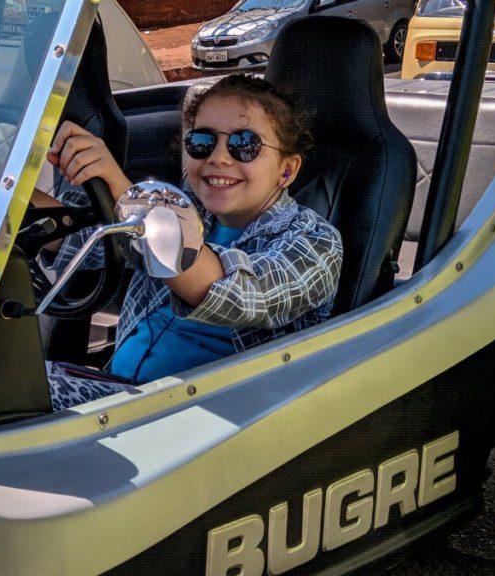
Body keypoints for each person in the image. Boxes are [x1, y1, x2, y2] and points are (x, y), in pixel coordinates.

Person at [37, 74, 343, 410]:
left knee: (11, 400)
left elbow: (235, 296)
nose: (219, 158)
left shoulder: (314, 241)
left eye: (245, 145)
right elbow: (76, 237)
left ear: (287, 171)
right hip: (120, 393)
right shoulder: (182, 207)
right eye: (202, 142)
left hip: (206, 420)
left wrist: (126, 193)